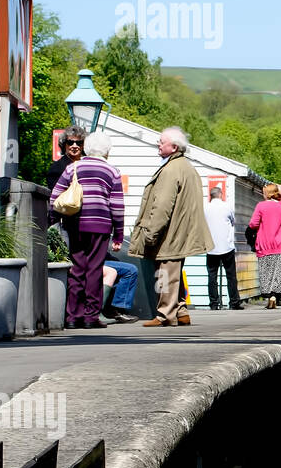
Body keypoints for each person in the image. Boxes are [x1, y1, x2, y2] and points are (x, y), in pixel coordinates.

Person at [128, 127, 213, 328]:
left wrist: (151, 232)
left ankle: (165, 313)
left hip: (170, 233)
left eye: (161, 142)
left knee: (165, 273)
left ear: (173, 147)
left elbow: (162, 206)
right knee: (174, 272)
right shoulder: (187, 167)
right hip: (182, 231)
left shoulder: (170, 170)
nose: (158, 144)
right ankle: (181, 311)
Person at [49, 131, 125, 330]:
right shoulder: (113, 172)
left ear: (86, 148)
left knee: (77, 269)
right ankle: (91, 316)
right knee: (94, 270)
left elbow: (55, 196)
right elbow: (117, 206)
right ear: (107, 150)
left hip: (75, 224)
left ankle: (73, 316)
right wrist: (118, 234)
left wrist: (54, 219)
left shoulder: (73, 167)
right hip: (100, 226)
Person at [248, 183, 281, 308]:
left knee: (266, 270)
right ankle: (276, 295)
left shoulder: (261, 206)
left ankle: (270, 295)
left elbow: (253, 224)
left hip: (265, 242)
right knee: (278, 271)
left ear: (267, 193)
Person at [203, 184, 243, 310]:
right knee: (231, 275)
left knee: (212, 276)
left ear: (211, 196)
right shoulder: (227, 207)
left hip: (211, 247)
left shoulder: (205, 208)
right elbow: (232, 221)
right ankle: (234, 302)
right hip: (226, 246)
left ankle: (214, 303)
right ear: (220, 195)